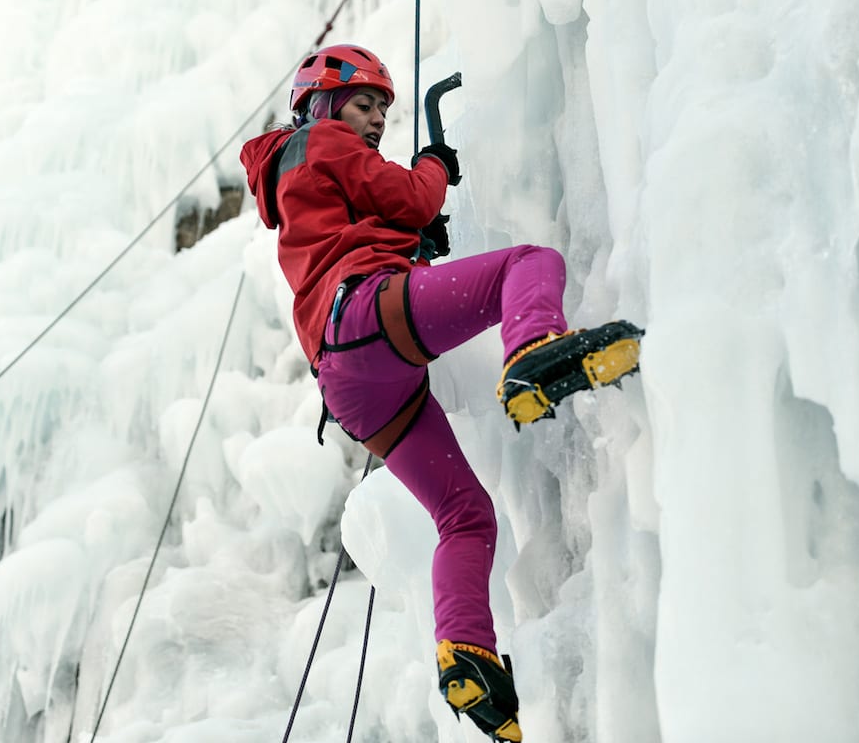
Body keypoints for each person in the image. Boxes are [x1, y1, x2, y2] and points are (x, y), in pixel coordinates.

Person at [240, 43, 642, 741]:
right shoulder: (322, 140)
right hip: (367, 317)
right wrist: (432, 166)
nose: (375, 119)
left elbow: (373, 222)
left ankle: (466, 653)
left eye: (382, 110)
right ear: (322, 104)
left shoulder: (297, 177)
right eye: (364, 103)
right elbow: (411, 197)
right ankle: (534, 351)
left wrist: (415, 242)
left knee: (465, 515)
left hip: (352, 386)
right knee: (529, 262)